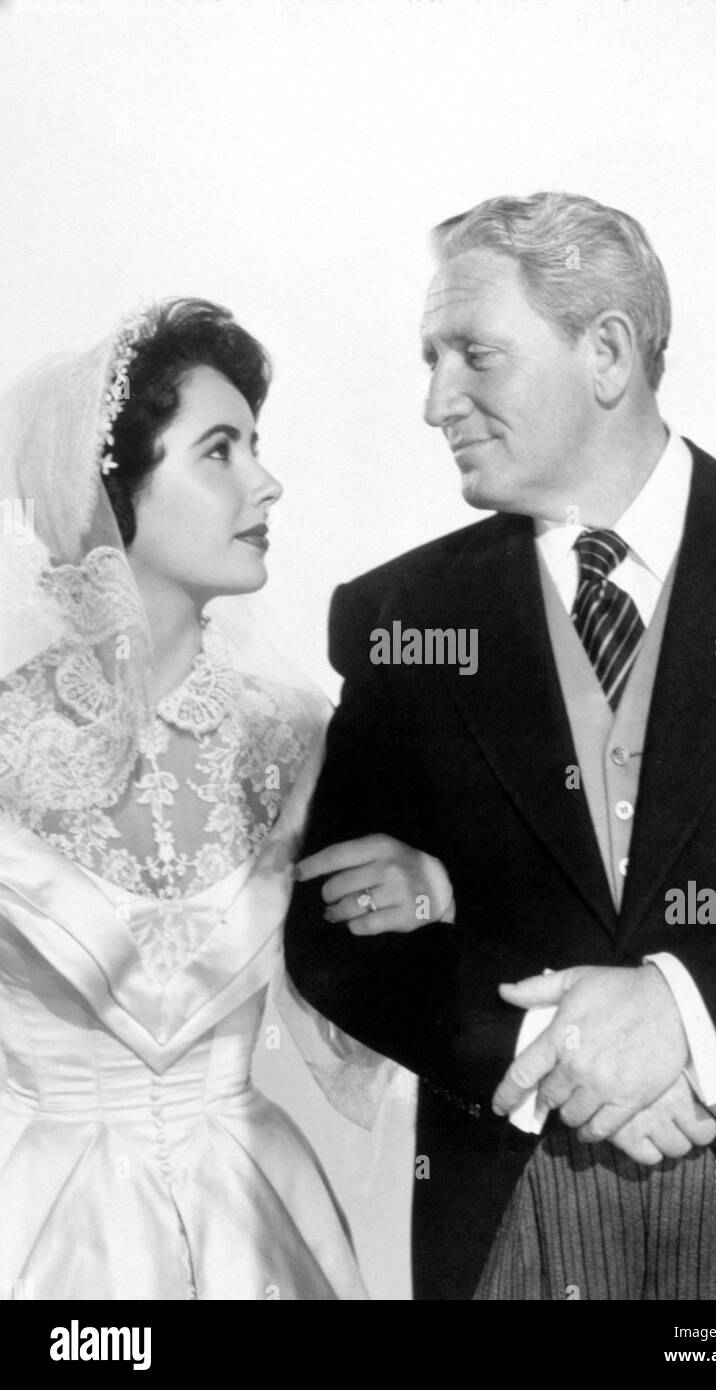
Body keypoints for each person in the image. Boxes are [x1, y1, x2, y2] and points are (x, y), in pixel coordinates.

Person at [286, 192, 716, 1300]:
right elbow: (331, 936)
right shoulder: (400, 611)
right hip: (518, 1210)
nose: (436, 399)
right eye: (430, 359)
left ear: (607, 351)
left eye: (473, 355)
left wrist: (691, 1020)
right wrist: (555, 1059)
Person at [0, 298, 451, 1300]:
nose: (266, 480)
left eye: (256, 444)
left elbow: (371, 1006)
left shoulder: (300, 736)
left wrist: (427, 893)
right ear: (111, 492)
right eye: (220, 450)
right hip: (37, 1231)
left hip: (260, 1225)